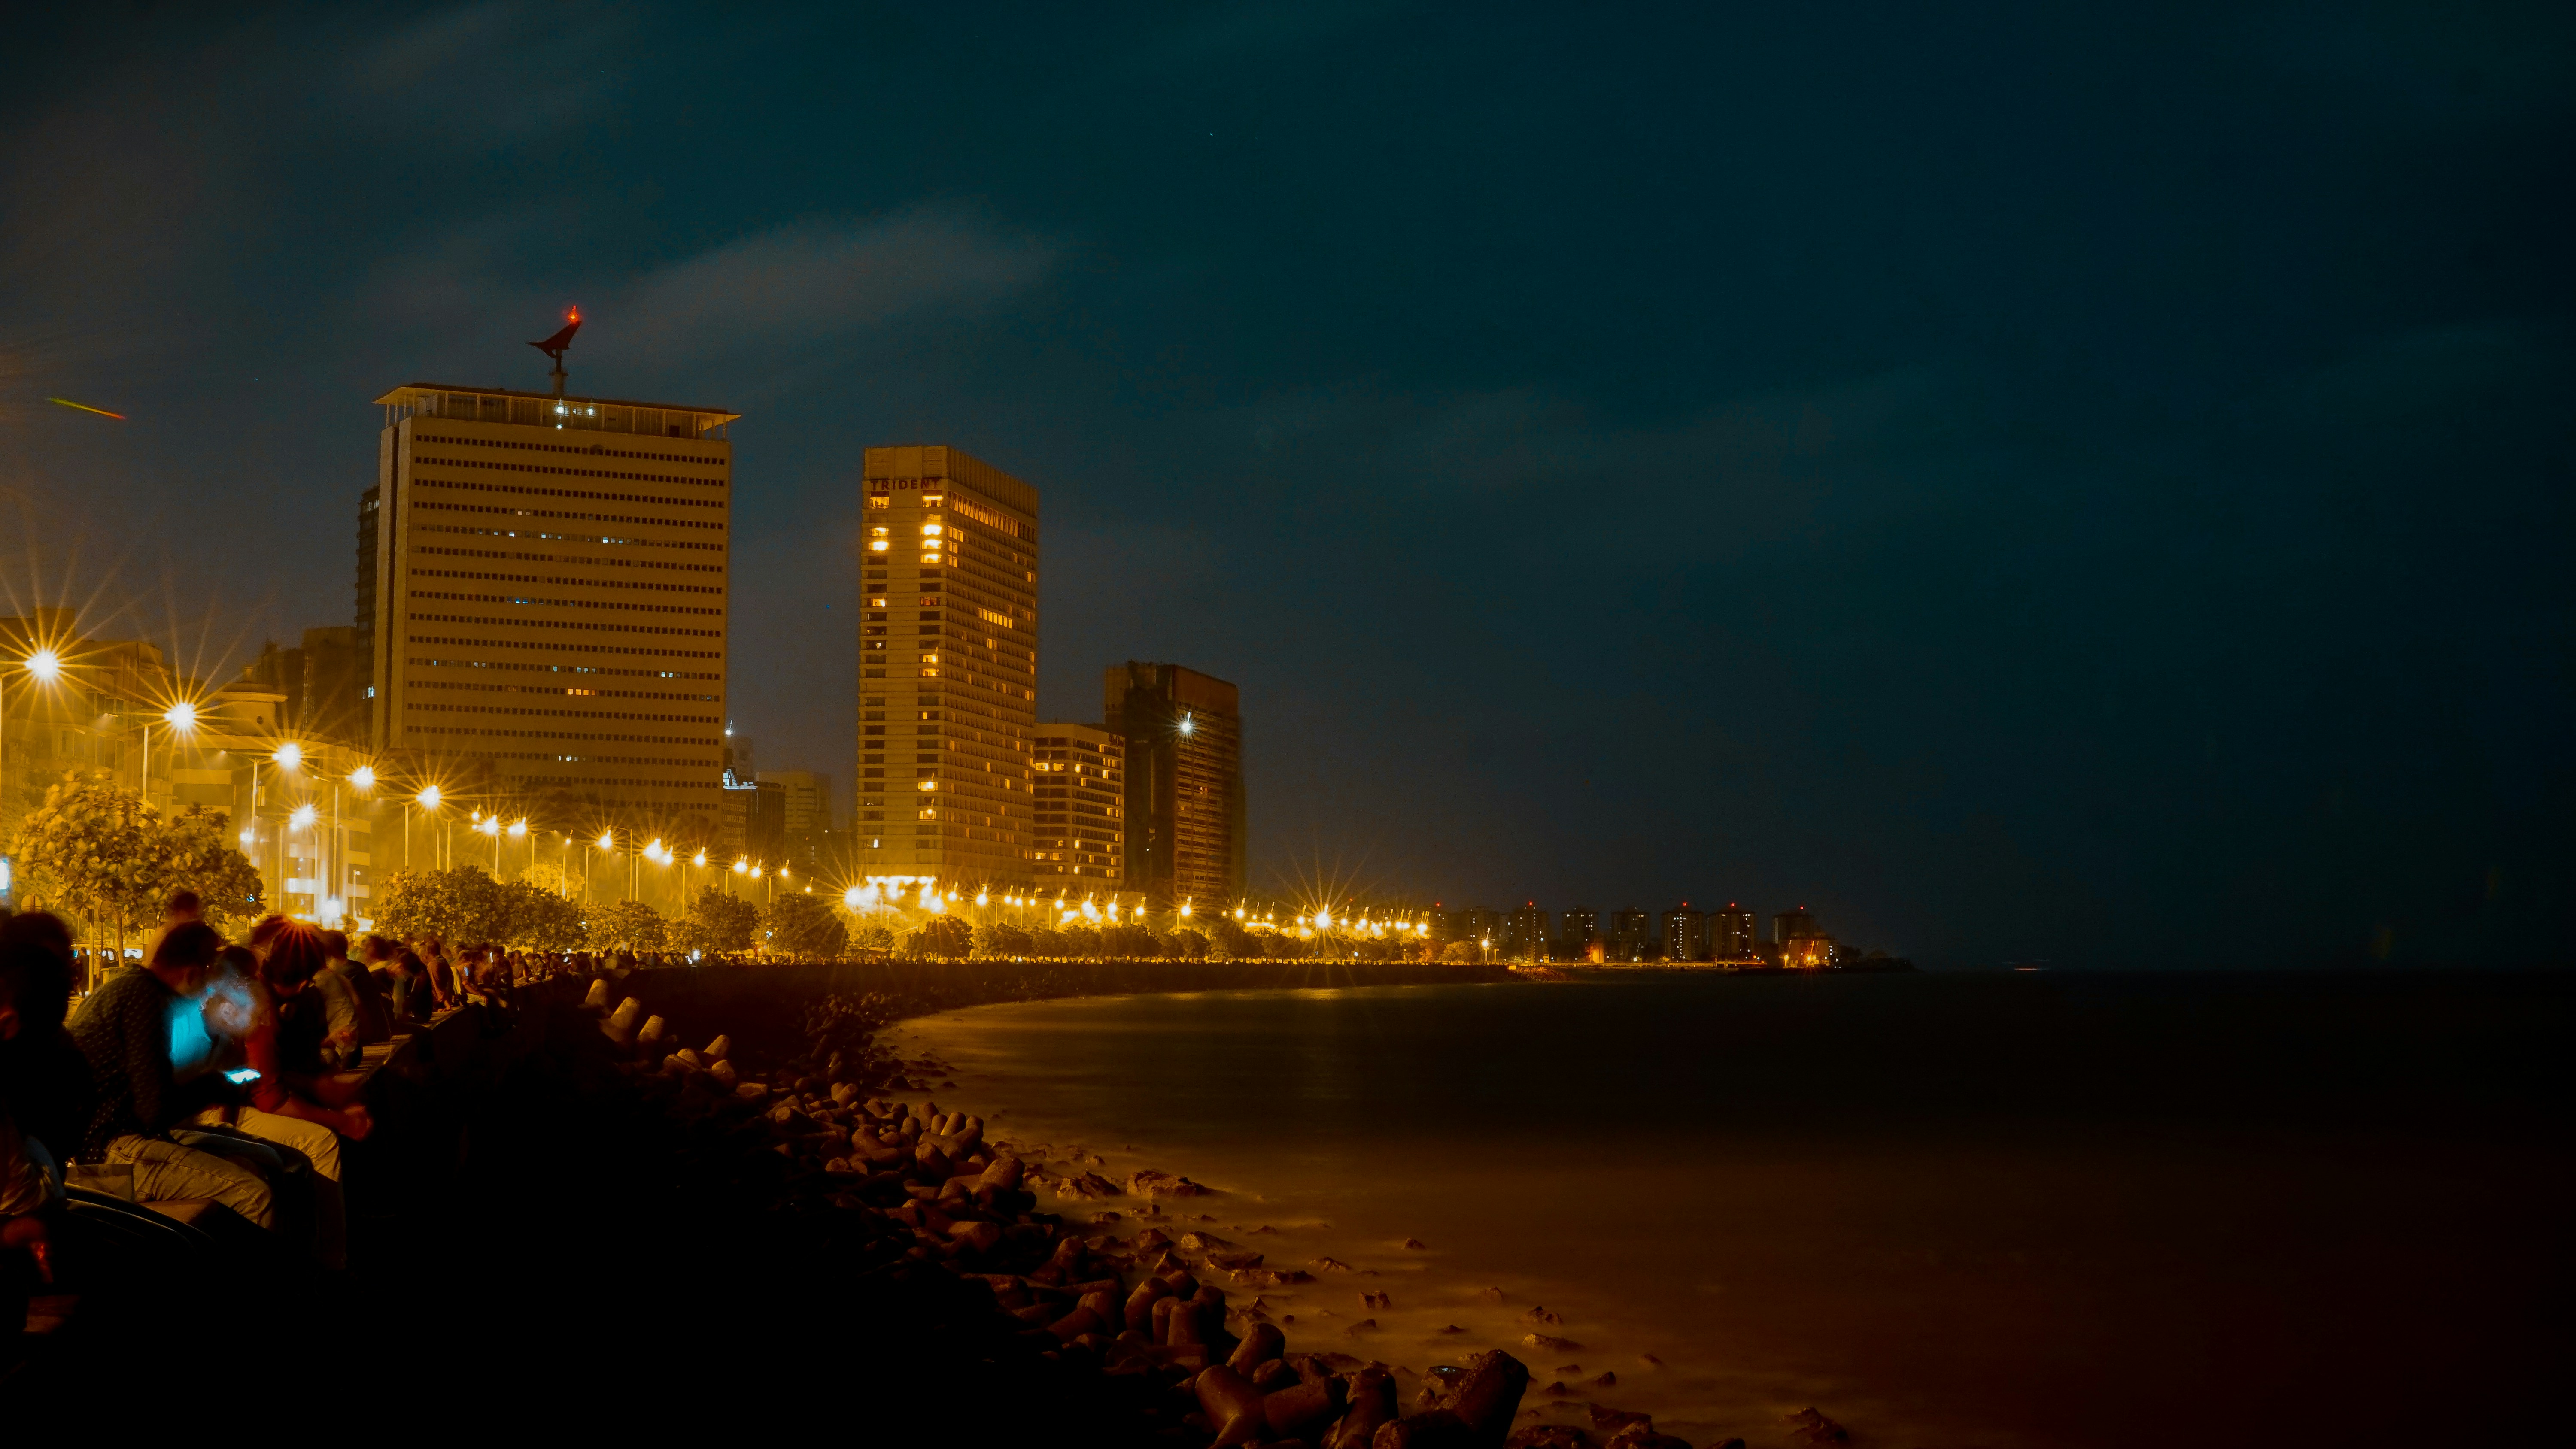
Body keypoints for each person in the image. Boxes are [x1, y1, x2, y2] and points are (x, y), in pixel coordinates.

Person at [67, 923, 282, 1231]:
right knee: (254, 1196)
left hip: (121, 1136)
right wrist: (214, 1087)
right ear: (193, 972)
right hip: (108, 1148)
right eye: (210, 973)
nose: (211, 986)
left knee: (262, 1162)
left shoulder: (136, 988)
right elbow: (154, 1110)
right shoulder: (143, 997)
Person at [191, 928, 368, 1269]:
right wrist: (343, 1120)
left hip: (218, 1102)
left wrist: (318, 1091)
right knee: (322, 1142)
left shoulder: (244, 994)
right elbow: (270, 1098)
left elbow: (266, 1077)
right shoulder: (259, 1007)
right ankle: (332, 1262)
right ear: (302, 981)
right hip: (213, 1112)